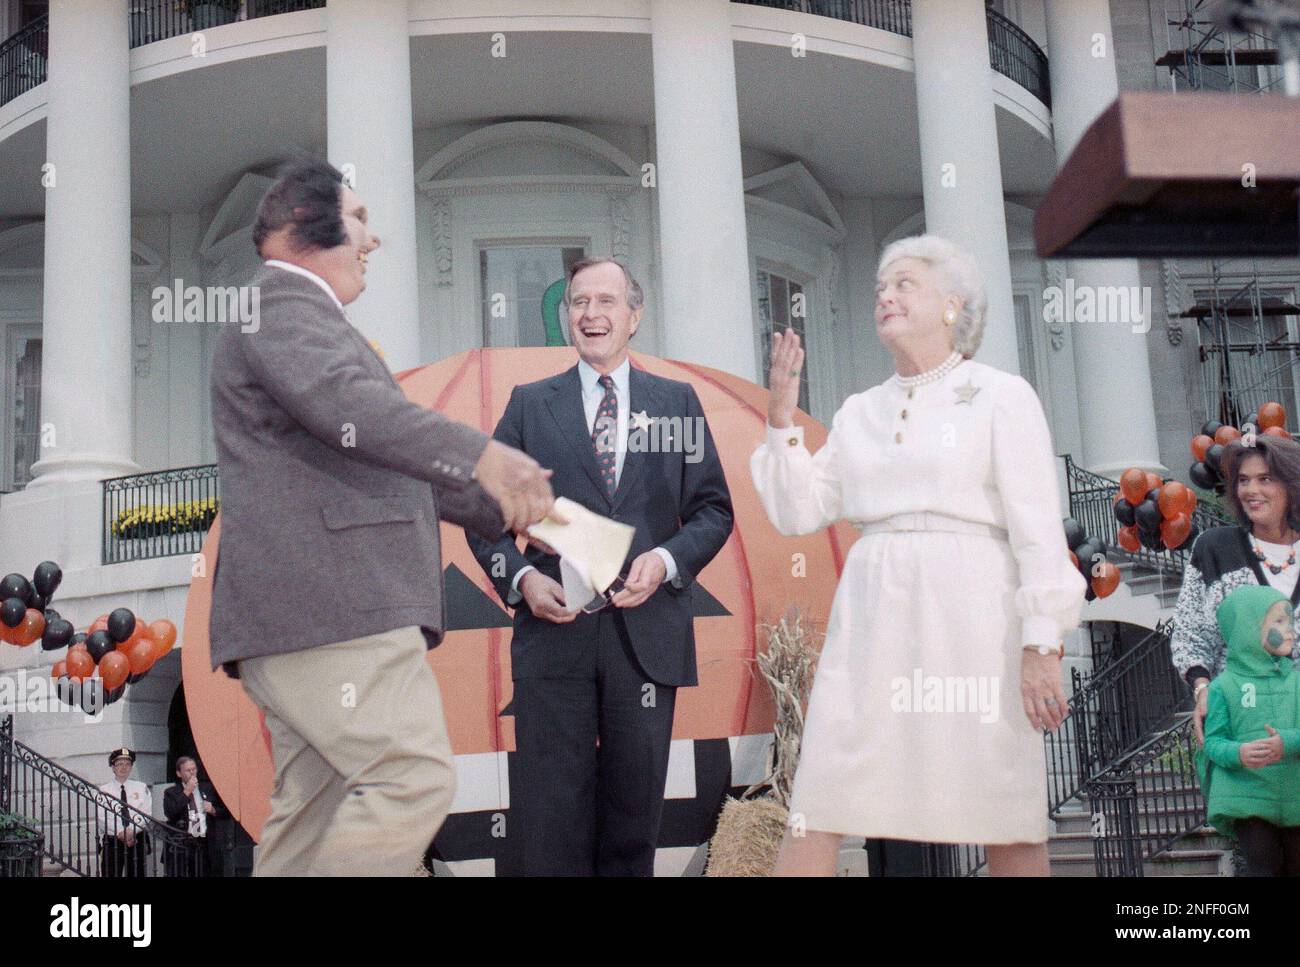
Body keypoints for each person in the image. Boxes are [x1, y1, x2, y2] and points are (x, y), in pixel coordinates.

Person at [209, 158, 557, 876]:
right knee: (411, 777)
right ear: (307, 222)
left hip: (308, 616)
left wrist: (504, 507)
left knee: (313, 816)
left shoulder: (298, 316)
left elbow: (379, 454)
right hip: (334, 609)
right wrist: (483, 454)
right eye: (361, 218)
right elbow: (353, 408)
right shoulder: (281, 302)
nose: (374, 239)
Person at [750, 234, 1085, 877]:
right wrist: (780, 418)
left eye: (905, 283)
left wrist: (1042, 645)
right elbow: (797, 512)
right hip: (871, 621)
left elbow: (1039, 533)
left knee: (1004, 813)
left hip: (976, 621)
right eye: (880, 287)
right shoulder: (857, 411)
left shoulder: (1001, 395)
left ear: (954, 307)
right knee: (820, 799)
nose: (886, 295)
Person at [466, 257, 734, 875]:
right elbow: (483, 510)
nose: (592, 315)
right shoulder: (530, 406)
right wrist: (524, 580)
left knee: (632, 824)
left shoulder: (676, 402)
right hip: (553, 640)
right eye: (580, 302)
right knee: (551, 825)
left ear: (634, 316)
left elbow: (713, 511)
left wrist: (665, 562)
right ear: (567, 318)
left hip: (646, 646)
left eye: (606, 302)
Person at [1172, 435, 1300, 744]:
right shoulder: (1214, 549)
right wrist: (1202, 688)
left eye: (1265, 479)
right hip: (1240, 727)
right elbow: (1190, 634)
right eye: (1243, 480)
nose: (1251, 491)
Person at [1198, 585, 1300, 875]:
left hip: (1295, 795)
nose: (1290, 630)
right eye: (1278, 622)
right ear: (1248, 629)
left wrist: (1288, 742)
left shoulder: (1297, 682)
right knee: (1262, 869)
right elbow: (1213, 742)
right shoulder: (1223, 687)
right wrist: (1239, 753)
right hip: (1248, 799)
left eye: (1290, 621)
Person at [163, 756, 223, 876]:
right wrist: (187, 791)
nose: (192, 773)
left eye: (194, 769)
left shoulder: (208, 788)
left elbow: (224, 811)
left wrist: (213, 810)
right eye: (188, 770)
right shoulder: (171, 792)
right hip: (180, 843)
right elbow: (171, 812)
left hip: (203, 843)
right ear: (179, 774)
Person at [98, 748, 151, 878]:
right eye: (119, 764)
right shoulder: (104, 790)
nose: (124, 767)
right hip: (113, 841)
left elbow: (146, 813)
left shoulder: (141, 787)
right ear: (113, 767)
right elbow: (102, 818)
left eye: (127, 764)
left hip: (136, 839)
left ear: (131, 766)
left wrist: (131, 831)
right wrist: (121, 833)